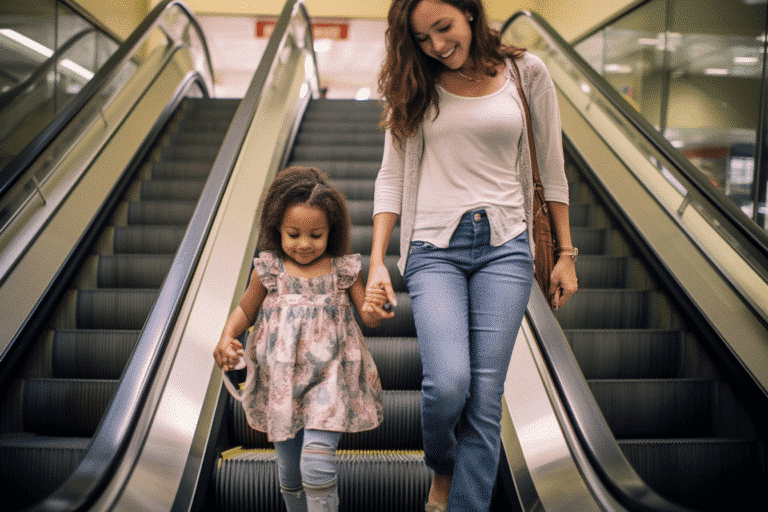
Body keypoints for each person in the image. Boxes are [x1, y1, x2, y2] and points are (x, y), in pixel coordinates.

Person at [365, 1, 578, 511]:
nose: (436, 45)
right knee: (448, 382)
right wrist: (376, 262)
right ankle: (442, 463)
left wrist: (566, 252)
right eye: (422, 38)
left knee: (484, 399)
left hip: (506, 246)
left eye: (444, 28)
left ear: (470, 14)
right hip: (433, 248)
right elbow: (391, 177)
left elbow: (551, 164)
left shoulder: (527, 73)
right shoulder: (414, 84)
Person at [213, 166, 389, 512]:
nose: (304, 244)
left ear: (331, 232)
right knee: (290, 471)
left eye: (316, 235)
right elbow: (246, 310)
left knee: (316, 465)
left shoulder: (343, 269)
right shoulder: (269, 268)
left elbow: (366, 316)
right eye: (293, 234)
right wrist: (226, 336)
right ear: (276, 228)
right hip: (282, 380)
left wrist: (375, 306)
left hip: (332, 377)